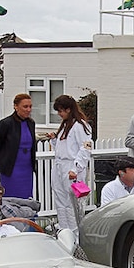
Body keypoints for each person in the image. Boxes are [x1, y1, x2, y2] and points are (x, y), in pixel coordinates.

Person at [48, 94, 93, 237]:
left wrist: (76, 168)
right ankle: (64, 233)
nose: (59, 114)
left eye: (61, 111)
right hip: (60, 166)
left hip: (71, 168)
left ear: (68, 109)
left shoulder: (80, 126)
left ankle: (75, 237)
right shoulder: (65, 125)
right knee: (60, 201)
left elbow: (85, 148)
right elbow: (63, 147)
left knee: (72, 205)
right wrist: (54, 139)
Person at [0, 93, 37, 199]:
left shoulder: (31, 123)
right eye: (25, 106)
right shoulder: (5, 124)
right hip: (10, 170)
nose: (28, 109)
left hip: (26, 169)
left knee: (26, 199)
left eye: (30, 106)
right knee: (11, 198)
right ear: (16, 106)